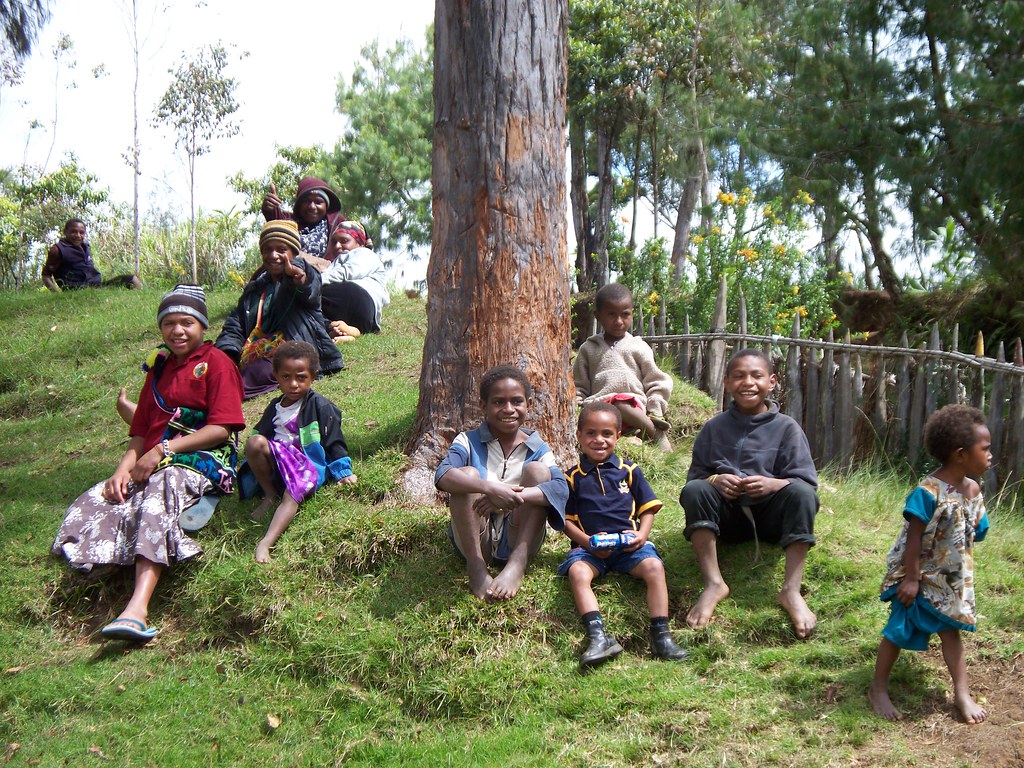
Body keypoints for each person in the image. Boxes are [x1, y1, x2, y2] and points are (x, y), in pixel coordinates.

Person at [52, 285, 244, 643]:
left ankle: (137, 609)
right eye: (169, 323)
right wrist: (122, 470)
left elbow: (221, 429)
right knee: (99, 499)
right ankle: (98, 572)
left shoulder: (218, 364)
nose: (178, 330)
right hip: (153, 458)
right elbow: (140, 434)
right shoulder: (156, 370)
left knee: (159, 489)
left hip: (202, 458)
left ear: (202, 327)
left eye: (187, 322)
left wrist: (163, 451)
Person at [679, 348, 818, 638]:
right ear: (727, 382)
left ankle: (791, 591)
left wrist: (773, 484)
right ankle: (714, 583)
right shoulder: (714, 428)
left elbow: (805, 481)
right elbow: (696, 477)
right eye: (739, 376)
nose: (748, 383)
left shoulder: (787, 428)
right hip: (726, 519)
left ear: (772, 381)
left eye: (757, 376)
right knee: (695, 491)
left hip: (771, 520)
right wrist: (716, 479)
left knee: (802, 494)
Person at [868, 405, 991, 724]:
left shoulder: (973, 489)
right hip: (918, 576)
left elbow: (978, 528)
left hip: (950, 580)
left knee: (952, 633)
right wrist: (911, 579)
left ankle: (961, 694)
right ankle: (878, 688)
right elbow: (913, 536)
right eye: (986, 448)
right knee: (898, 629)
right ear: (961, 454)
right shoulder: (927, 492)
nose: (990, 455)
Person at [560, 402, 688, 668]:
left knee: (654, 567)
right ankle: (598, 637)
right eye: (591, 433)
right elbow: (566, 522)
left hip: (629, 545)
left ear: (618, 436)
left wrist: (641, 536)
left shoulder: (630, 471)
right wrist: (588, 543)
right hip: (589, 548)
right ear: (579, 436)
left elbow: (648, 508)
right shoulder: (572, 477)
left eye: (607, 433)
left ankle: (661, 636)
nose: (599, 440)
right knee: (578, 574)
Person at [434, 365, 568, 602]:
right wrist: (490, 488)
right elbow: (443, 475)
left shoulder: (538, 447)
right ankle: (476, 566)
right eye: (498, 402)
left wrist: (511, 497)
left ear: (528, 404)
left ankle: (517, 564)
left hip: (520, 537)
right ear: (484, 406)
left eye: (517, 401)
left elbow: (560, 488)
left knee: (539, 472)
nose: (508, 409)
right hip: (477, 538)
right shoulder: (467, 440)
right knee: (466, 475)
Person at [238, 341, 357, 563]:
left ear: (313, 376)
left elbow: (334, 440)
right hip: (278, 460)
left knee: (292, 494)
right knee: (254, 442)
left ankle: (266, 542)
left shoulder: (320, 406)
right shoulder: (275, 406)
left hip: (304, 465)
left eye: (301, 377)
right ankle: (269, 493)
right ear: (276, 375)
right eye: (286, 377)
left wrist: (343, 471)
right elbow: (259, 435)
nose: (293, 384)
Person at [215, 220, 344, 399]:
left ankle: (224, 396)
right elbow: (234, 326)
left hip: (293, 353)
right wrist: (225, 355)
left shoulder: (302, 276)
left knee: (258, 373)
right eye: (267, 249)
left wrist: (300, 277)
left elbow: (308, 286)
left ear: (294, 253)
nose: (273, 255)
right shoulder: (254, 290)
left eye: (281, 250)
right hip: (256, 354)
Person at [573, 283, 673, 451]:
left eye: (625, 314)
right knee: (605, 411)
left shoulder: (638, 347)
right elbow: (579, 385)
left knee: (621, 403)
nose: (619, 321)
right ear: (598, 316)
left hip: (632, 406)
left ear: (632, 314)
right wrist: (578, 406)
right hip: (601, 406)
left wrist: (655, 407)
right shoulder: (588, 348)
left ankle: (654, 433)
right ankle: (640, 433)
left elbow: (657, 381)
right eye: (611, 315)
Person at [319, 221, 390, 342]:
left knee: (302, 296)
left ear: (360, 243)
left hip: (355, 296)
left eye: (344, 241)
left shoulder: (365, 253)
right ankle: (343, 330)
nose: (337, 246)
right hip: (366, 319)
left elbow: (346, 273)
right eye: (334, 242)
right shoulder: (338, 261)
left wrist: (313, 281)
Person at [42, 218, 142, 292]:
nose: (77, 235)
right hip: (79, 290)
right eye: (73, 232)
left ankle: (138, 302)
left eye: (81, 232)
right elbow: (46, 275)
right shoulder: (58, 249)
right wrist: (56, 293)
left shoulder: (85, 247)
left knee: (132, 279)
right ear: (65, 232)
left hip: (97, 286)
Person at [261, 177, 344, 258]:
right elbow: (276, 221)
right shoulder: (289, 221)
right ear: (299, 205)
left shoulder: (337, 223)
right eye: (306, 201)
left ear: (326, 206)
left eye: (318, 202)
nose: (312, 206)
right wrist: (270, 208)